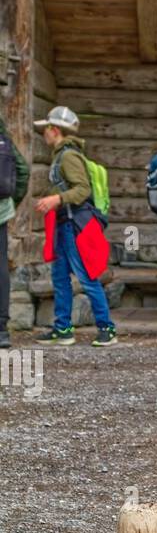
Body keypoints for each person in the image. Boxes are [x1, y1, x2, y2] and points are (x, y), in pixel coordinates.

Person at [32, 105, 117, 347]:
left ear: (55, 129)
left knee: (87, 276)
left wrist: (55, 199)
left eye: (46, 128)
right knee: (60, 278)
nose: (44, 133)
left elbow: (82, 190)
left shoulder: (68, 156)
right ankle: (63, 328)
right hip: (63, 225)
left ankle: (107, 328)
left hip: (74, 224)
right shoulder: (60, 155)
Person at [0, 113, 30, 351]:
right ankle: (1, 330)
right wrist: (11, 203)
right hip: (1, 211)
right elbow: (23, 169)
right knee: (0, 267)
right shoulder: (3, 135)